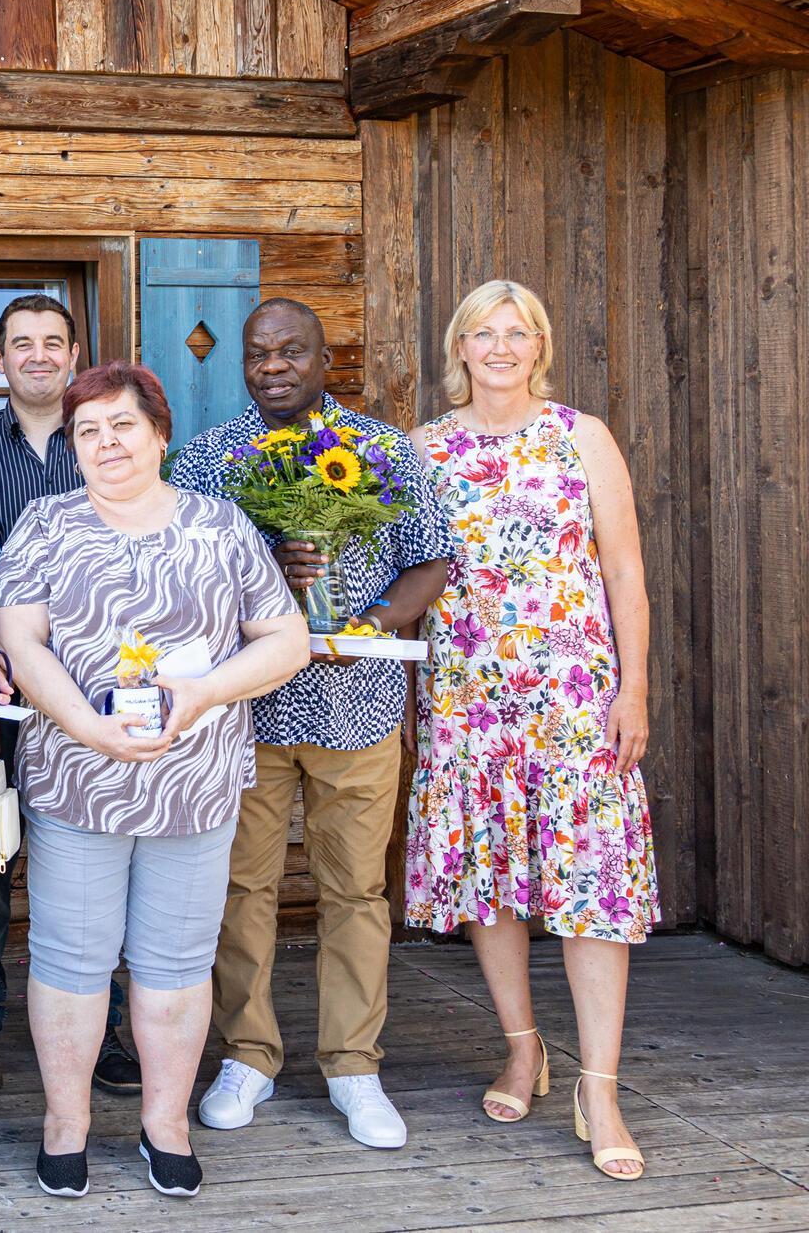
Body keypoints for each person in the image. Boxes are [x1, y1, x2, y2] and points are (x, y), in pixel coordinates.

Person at [0, 361, 306, 1201]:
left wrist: (205, 689)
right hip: (78, 776)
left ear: (159, 433)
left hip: (193, 781)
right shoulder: (44, 523)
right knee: (71, 958)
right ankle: (68, 1123)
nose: (106, 443)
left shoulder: (221, 525)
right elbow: (22, 642)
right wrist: (86, 725)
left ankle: (167, 1121)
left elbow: (286, 640)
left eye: (122, 425)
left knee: (175, 961)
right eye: (87, 431)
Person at [170, 299, 455, 1151]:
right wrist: (264, 563)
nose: (273, 367)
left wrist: (371, 621)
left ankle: (353, 1064)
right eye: (258, 355)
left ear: (326, 360)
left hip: (356, 706)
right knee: (241, 888)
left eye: (291, 352)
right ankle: (249, 1054)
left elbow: (432, 557)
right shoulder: (209, 459)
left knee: (355, 891)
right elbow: (180, 577)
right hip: (246, 712)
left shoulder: (379, 450)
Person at [404, 280, 657, 1181]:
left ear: (539, 346)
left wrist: (634, 692)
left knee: (594, 889)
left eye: (519, 332)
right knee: (490, 883)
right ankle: (522, 1047)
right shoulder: (425, 448)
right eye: (485, 332)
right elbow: (408, 567)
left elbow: (624, 573)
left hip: (575, 697)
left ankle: (602, 1085)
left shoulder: (581, 436)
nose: (502, 346)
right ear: (460, 347)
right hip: (471, 699)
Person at [0, 293, 138, 1108]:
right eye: (20, 343)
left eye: (52, 342)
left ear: (73, 352)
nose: (37, 356)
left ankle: (107, 1023)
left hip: (94, 688)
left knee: (95, 853)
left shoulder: (104, 437)